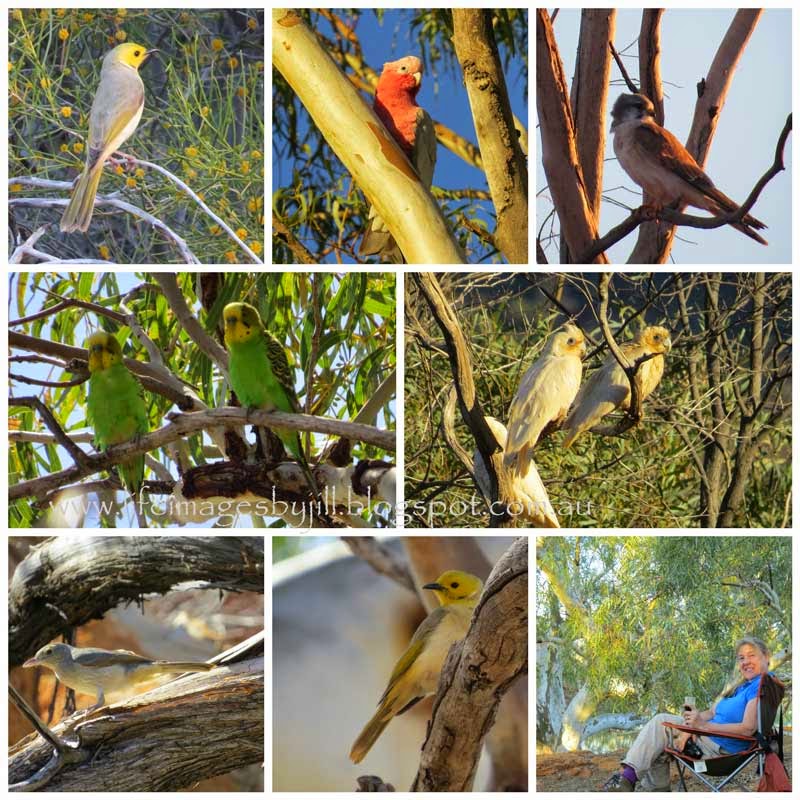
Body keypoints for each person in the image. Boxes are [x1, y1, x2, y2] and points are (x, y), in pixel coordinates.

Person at [602, 636, 773, 792]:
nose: (745, 662)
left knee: (660, 726)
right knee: (659, 738)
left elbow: (747, 729)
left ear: (766, 656)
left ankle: (627, 780)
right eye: (741, 658)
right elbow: (711, 712)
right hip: (708, 736)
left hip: (719, 751)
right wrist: (692, 724)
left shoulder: (761, 685)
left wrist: (701, 727)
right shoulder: (745, 686)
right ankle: (648, 787)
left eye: (751, 655)